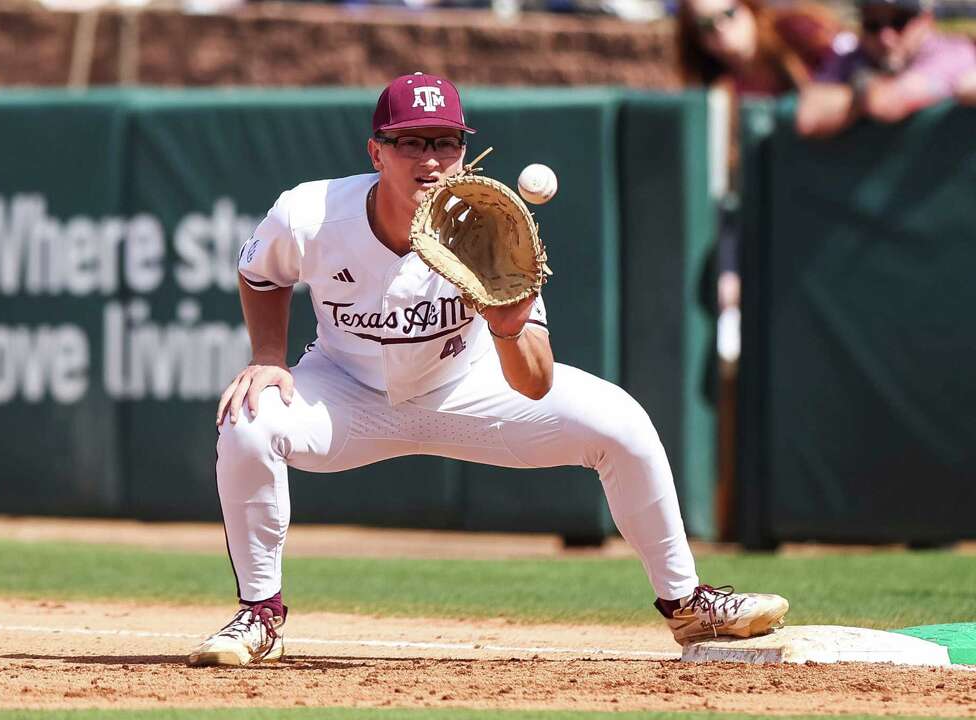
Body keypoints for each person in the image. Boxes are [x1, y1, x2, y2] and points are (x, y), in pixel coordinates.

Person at [185, 72, 790, 667]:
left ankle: (686, 601)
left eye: (446, 141)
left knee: (622, 423)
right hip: (346, 389)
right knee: (249, 418)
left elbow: (533, 382)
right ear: (377, 151)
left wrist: (505, 323)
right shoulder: (310, 213)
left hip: (469, 388)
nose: (430, 159)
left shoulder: (492, 226)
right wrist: (267, 358)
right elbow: (261, 274)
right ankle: (260, 614)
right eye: (411, 141)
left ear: (464, 152)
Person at [797, 0, 976, 137]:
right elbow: (809, 119)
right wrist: (866, 90)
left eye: (899, 22)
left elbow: (885, 104)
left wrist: (858, 89)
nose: (885, 36)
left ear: (925, 20)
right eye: (873, 25)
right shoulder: (854, 55)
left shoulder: (953, 52)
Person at [676, 0, 841, 98]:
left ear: (748, 7)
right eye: (706, 24)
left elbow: (854, 59)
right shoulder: (714, 90)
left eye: (728, 14)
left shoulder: (796, 30)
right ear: (696, 39)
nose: (720, 27)